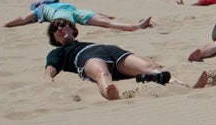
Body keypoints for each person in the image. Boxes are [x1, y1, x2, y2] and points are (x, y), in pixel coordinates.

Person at [43, 19, 206, 100]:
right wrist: (48, 77)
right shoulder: (58, 51)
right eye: (56, 29)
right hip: (85, 57)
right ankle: (111, 94)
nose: (61, 28)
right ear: (54, 38)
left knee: (151, 67)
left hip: (110, 50)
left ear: (72, 29)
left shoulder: (86, 41)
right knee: (101, 72)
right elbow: (51, 67)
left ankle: (187, 87)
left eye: (64, 25)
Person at [5, 0, 150, 32]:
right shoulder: (41, 9)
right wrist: (6, 24)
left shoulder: (48, 5)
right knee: (66, 26)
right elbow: (23, 18)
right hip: (62, 14)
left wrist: (104, 14)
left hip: (73, 11)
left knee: (106, 22)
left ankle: (135, 26)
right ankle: (135, 26)